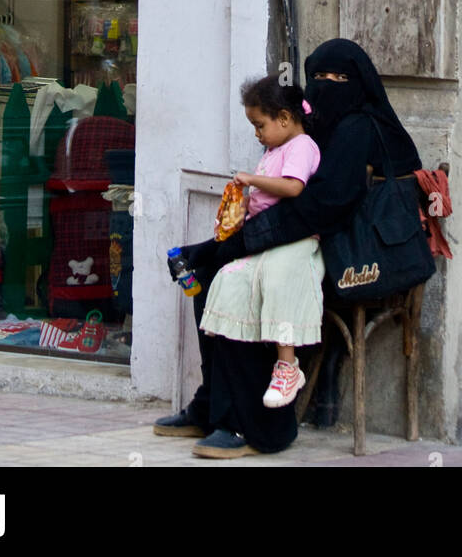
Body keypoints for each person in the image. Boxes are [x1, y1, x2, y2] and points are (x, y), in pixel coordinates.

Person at [153, 38, 426, 459]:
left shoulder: (357, 129)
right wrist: (222, 243)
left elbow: (321, 208)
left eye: (338, 78)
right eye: (317, 77)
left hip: (346, 263)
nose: (326, 86)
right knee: (206, 276)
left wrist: (235, 244)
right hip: (303, 242)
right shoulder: (313, 130)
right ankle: (214, 405)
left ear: (359, 83)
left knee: (237, 279)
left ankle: (257, 425)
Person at [199, 75, 323, 409]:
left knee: (278, 280)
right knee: (229, 276)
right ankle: (227, 331)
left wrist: (251, 179)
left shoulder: (302, 147)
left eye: (259, 125)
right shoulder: (275, 148)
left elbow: (293, 187)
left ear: (284, 118)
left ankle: (287, 365)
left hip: (292, 240)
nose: (257, 133)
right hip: (264, 236)